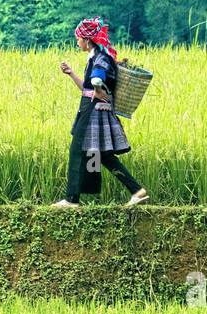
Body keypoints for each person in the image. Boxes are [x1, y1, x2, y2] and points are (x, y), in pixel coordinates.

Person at [52, 16, 148, 208]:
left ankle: (72, 199)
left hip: (94, 113)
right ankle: (137, 191)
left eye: (78, 38)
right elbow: (86, 88)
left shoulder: (101, 58)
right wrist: (71, 73)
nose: (77, 42)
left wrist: (98, 88)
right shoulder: (95, 57)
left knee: (78, 150)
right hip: (92, 109)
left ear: (87, 40)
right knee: (99, 154)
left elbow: (96, 79)